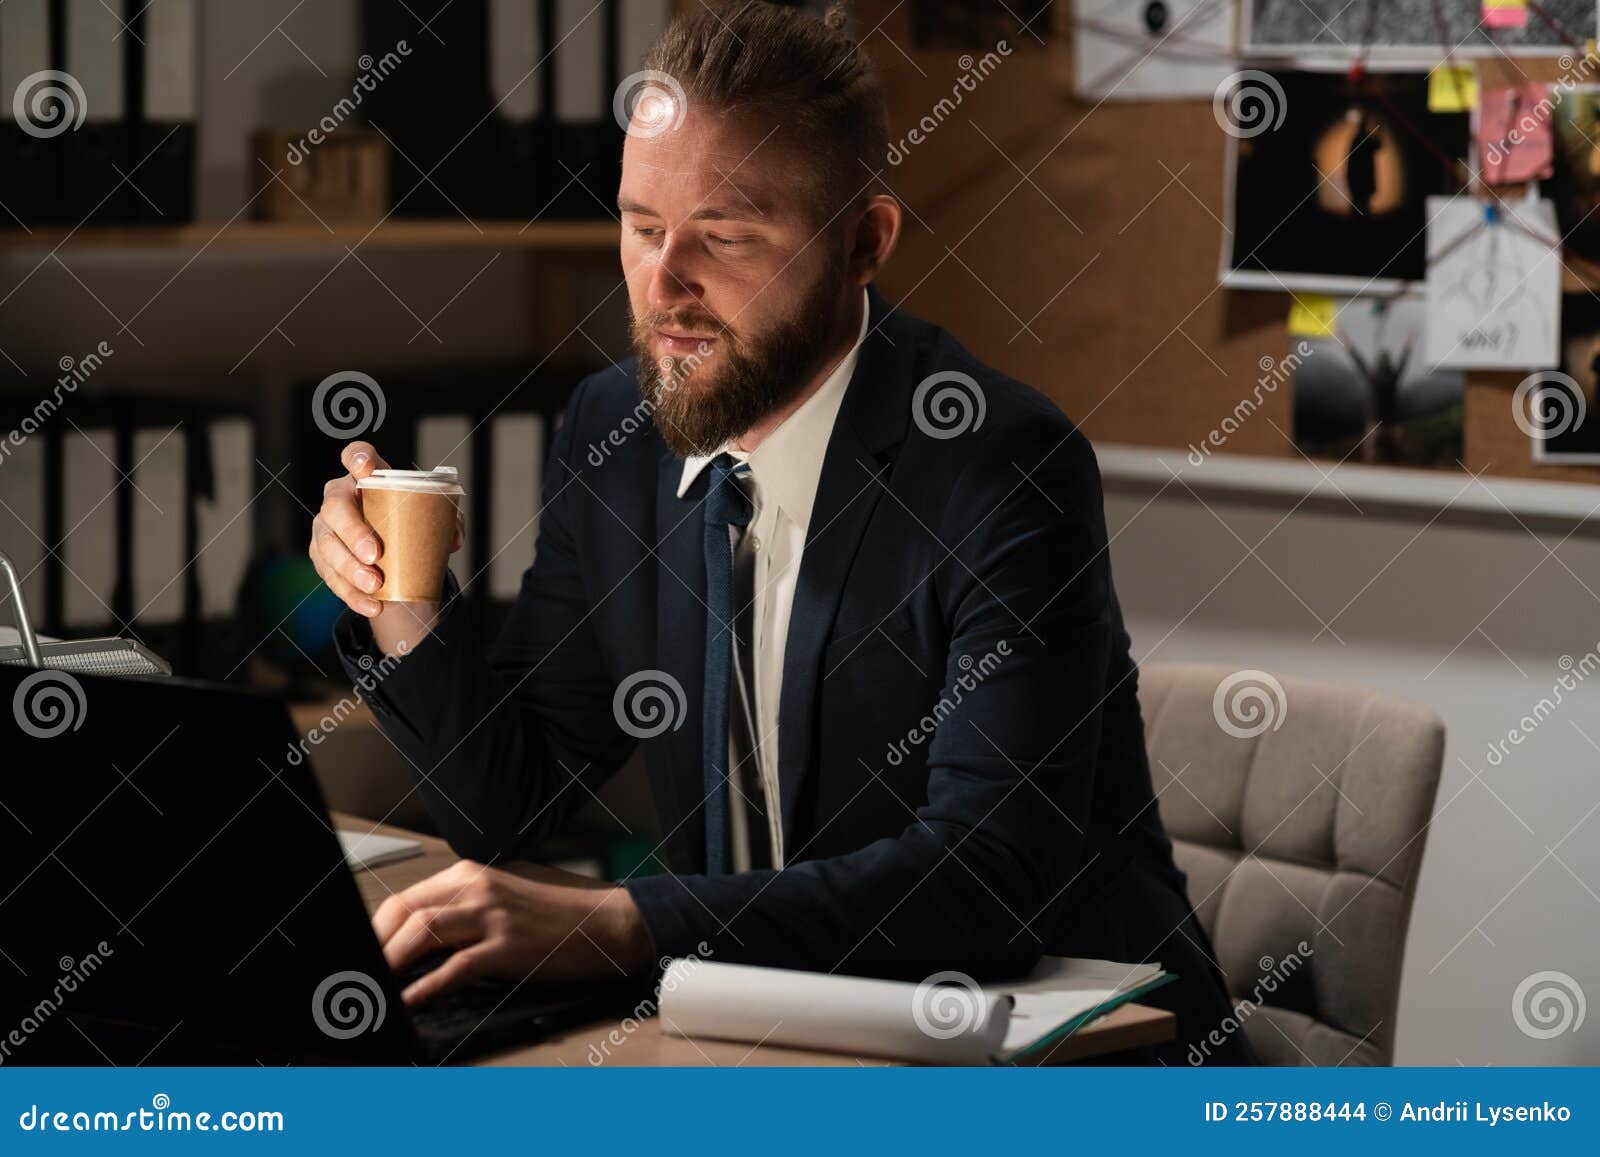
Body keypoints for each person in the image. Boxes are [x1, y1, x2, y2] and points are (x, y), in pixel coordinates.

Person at [310, 1, 1254, 1064]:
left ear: (863, 242)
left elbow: (986, 879)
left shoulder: (998, 465)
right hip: (771, 1031)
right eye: (640, 225)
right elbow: (507, 793)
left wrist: (626, 920)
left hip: (1073, 1050)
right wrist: (402, 598)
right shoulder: (614, 435)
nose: (663, 285)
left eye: (723, 236)